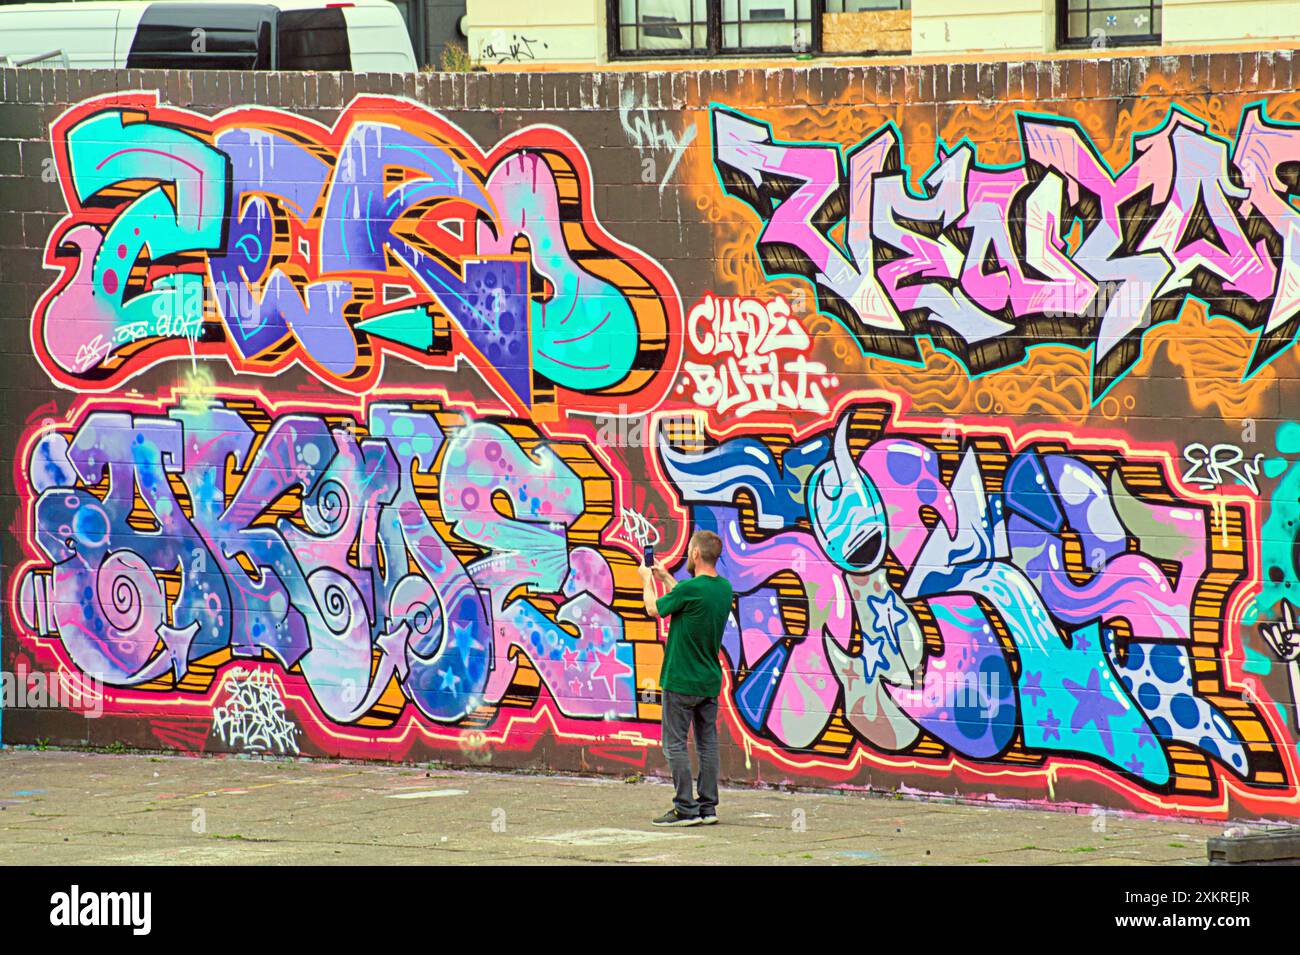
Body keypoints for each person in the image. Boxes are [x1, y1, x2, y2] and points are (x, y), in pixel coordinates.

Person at [638, 529, 733, 827]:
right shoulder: (723, 589)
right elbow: (688, 598)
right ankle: (707, 808)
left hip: (680, 680)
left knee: (675, 745)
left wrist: (646, 579)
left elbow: (654, 608)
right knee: (707, 745)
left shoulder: (691, 589)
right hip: (707, 681)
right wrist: (665, 576)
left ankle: (684, 809)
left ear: (694, 554)